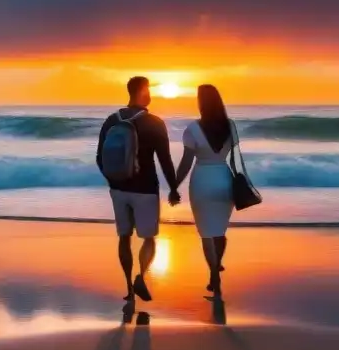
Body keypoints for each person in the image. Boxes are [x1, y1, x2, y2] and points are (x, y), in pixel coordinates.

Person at [97, 76, 180, 302]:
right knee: (149, 238)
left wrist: (114, 181)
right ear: (142, 91)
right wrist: (173, 188)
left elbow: (99, 157)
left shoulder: (111, 121)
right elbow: (165, 159)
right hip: (145, 189)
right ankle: (141, 277)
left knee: (124, 237)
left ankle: (128, 289)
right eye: (148, 90)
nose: (150, 94)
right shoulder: (154, 122)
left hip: (118, 189)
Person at [173, 84, 236, 300]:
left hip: (202, 181)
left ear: (201, 102)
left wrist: (174, 186)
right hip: (224, 178)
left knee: (206, 232)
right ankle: (217, 267)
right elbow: (234, 157)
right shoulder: (231, 126)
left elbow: (186, 163)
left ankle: (213, 275)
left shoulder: (193, 129)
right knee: (220, 230)